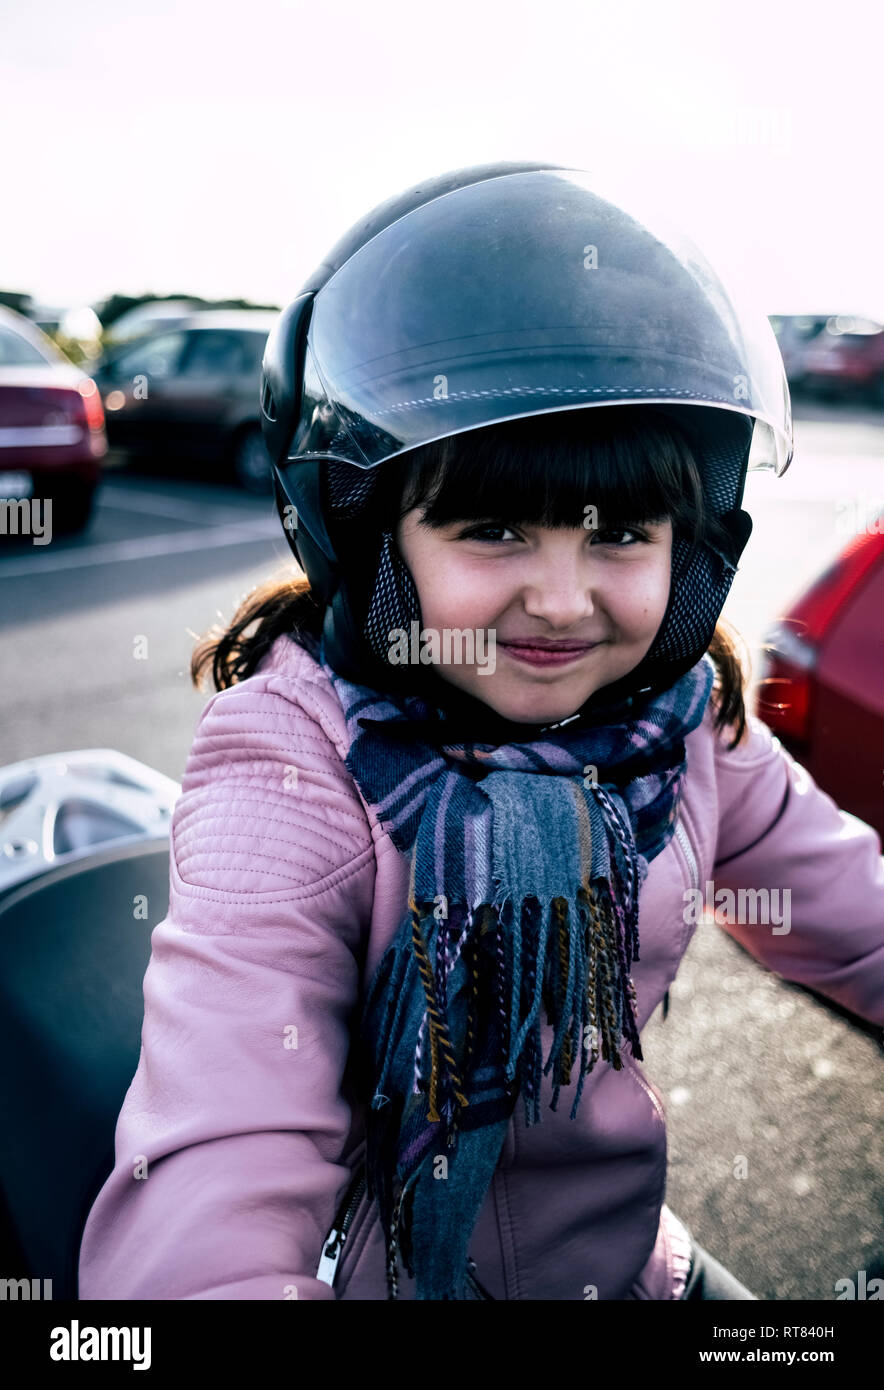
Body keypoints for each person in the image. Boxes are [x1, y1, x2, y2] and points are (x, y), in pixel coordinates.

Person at [77, 163, 883, 1301]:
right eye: (493, 529)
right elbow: (218, 1160)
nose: (561, 600)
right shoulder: (291, 769)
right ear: (363, 535)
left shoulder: (677, 719)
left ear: (693, 542)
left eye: (619, 536)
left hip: (624, 1265)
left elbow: (851, 910)